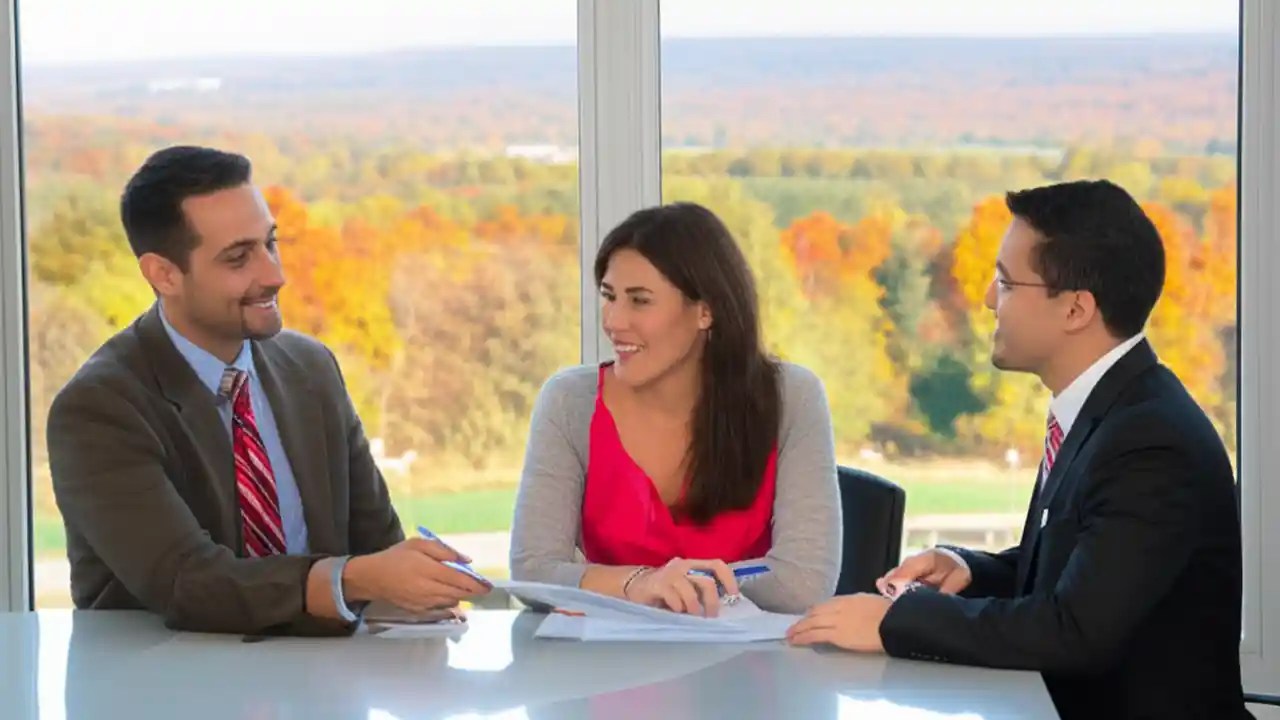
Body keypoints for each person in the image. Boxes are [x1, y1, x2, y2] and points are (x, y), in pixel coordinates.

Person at [787, 180, 1250, 719]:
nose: (987, 299)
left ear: (1076, 310)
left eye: (1006, 283)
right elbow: (1087, 571)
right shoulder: (1109, 408)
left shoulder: (1151, 443)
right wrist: (970, 568)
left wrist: (894, 623)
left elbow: (1075, 630)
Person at [47, 145, 489, 636]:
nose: (274, 275)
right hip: (169, 689)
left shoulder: (310, 368)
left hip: (324, 691)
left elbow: (375, 547)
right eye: (239, 258)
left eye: (270, 244)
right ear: (164, 274)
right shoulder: (99, 408)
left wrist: (415, 587)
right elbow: (187, 583)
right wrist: (356, 579)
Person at [509, 201, 840, 616]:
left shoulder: (792, 397)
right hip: (611, 669)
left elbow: (802, 582)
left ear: (706, 311)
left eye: (639, 301)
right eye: (609, 297)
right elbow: (533, 570)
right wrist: (640, 585)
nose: (613, 320)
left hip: (752, 670)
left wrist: (660, 588)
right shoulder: (569, 402)